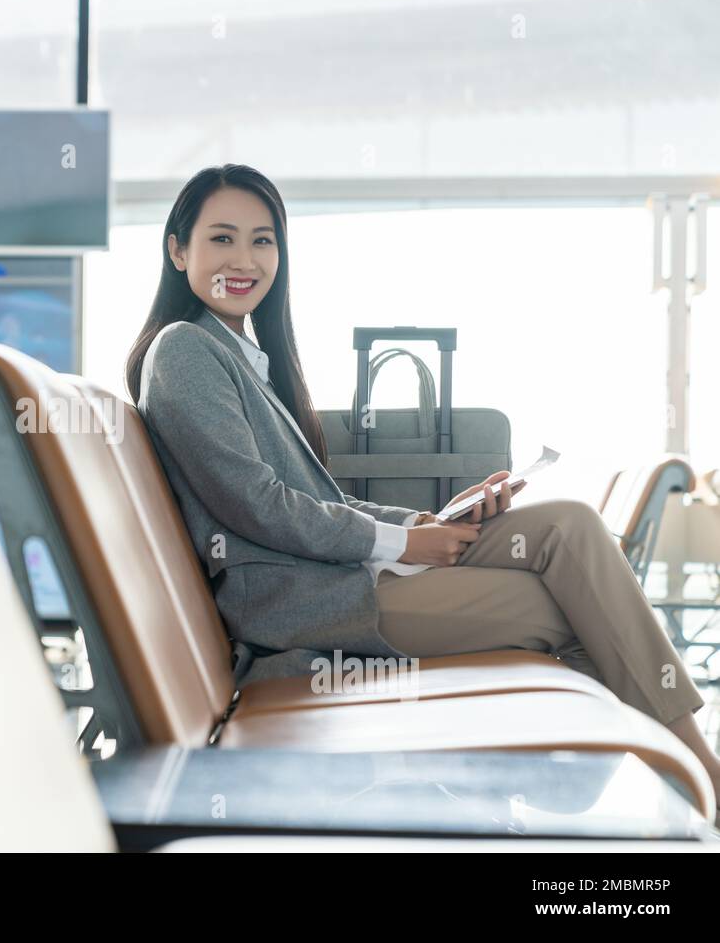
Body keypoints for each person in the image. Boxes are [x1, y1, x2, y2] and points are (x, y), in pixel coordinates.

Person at [124, 163, 720, 816]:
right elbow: (259, 505)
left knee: (569, 524)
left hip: (341, 578)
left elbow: (325, 502)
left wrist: (433, 519)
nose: (244, 259)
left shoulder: (241, 354)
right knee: (576, 609)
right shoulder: (183, 350)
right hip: (303, 604)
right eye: (222, 239)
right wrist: (406, 541)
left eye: (262, 240)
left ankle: (662, 775)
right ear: (178, 250)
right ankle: (684, 778)